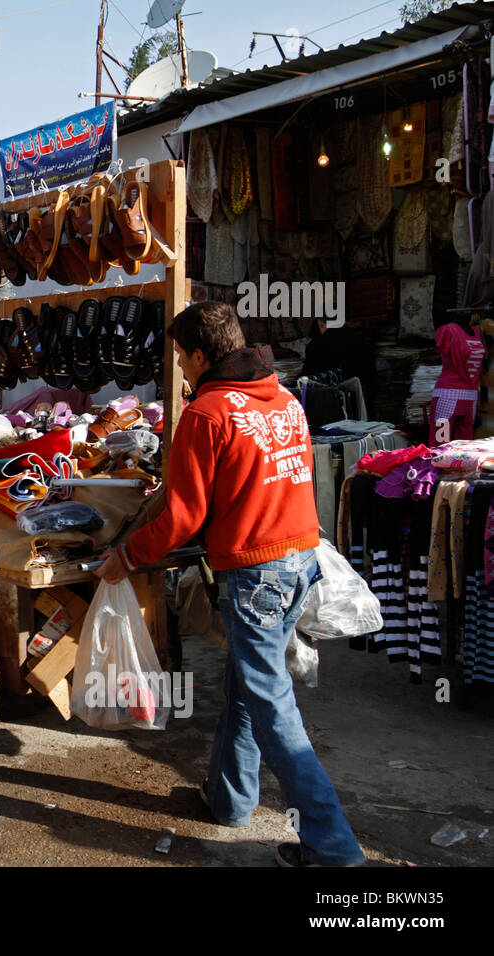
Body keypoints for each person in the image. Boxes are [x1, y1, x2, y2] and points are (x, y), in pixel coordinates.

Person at [95, 302, 365, 868]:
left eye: (179, 359)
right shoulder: (286, 398)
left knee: (271, 707)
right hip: (301, 559)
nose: (180, 370)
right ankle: (230, 800)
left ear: (199, 354)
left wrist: (127, 555)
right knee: (247, 686)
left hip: (258, 574)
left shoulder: (206, 414)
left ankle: (333, 848)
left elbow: (182, 516)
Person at [431, 310, 486, 444]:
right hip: (448, 393)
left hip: (470, 395)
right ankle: (436, 465)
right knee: (440, 441)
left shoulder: (477, 332)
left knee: (465, 445)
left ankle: (462, 466)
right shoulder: (447, 331)